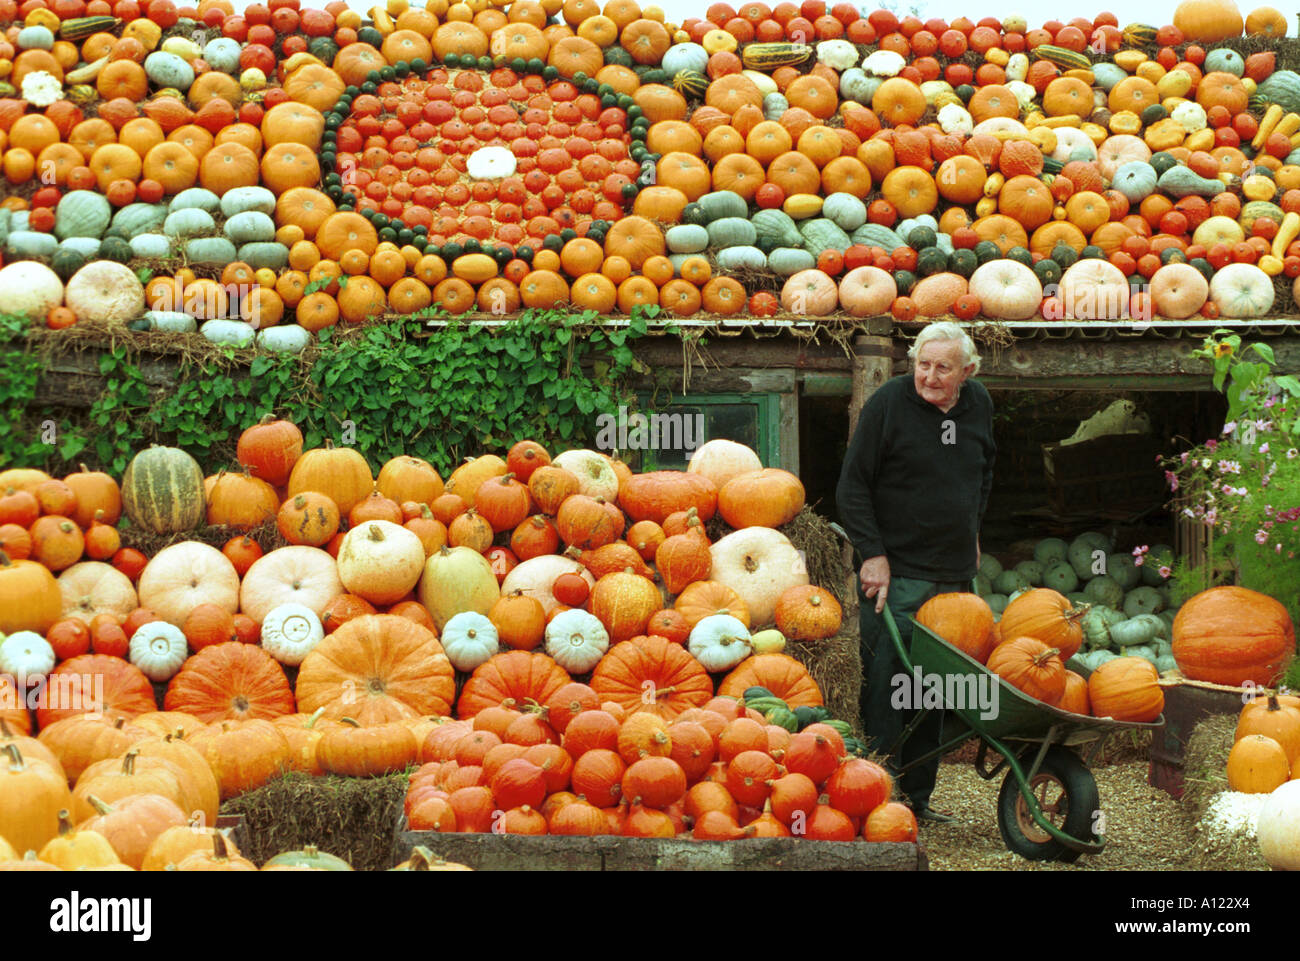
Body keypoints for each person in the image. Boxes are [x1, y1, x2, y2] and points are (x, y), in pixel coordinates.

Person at [835, 322, 996, 822]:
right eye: (922, 364)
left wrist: (972, 529)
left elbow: (983, 470)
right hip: (898, 574)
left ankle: (919, 801)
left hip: (955, 578)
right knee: (888, 687)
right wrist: (873, 555)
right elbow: (853, 485)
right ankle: (879, 801)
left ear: (966, 372)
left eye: (942, 367)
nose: (928, 376)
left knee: (936, 688)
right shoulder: (889, 403)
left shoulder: (979, 405)